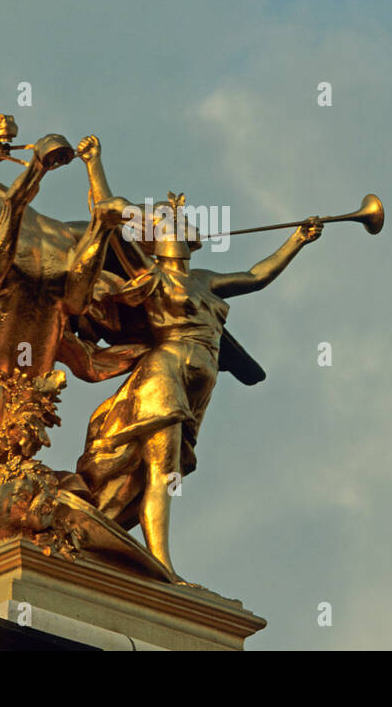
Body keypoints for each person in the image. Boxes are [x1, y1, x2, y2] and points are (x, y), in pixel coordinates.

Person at [72, 136, 321, 577]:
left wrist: (297, 240)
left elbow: (256, 276)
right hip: (163, 373)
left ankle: (121, 540)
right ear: (158, 237)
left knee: (168, 472)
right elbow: (107, 212)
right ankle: (162, 565)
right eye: (175, 220)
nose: (187, 223)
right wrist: (94, 162)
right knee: (161, 472)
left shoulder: (205, 279)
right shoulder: (146, 274)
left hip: (200, 382)